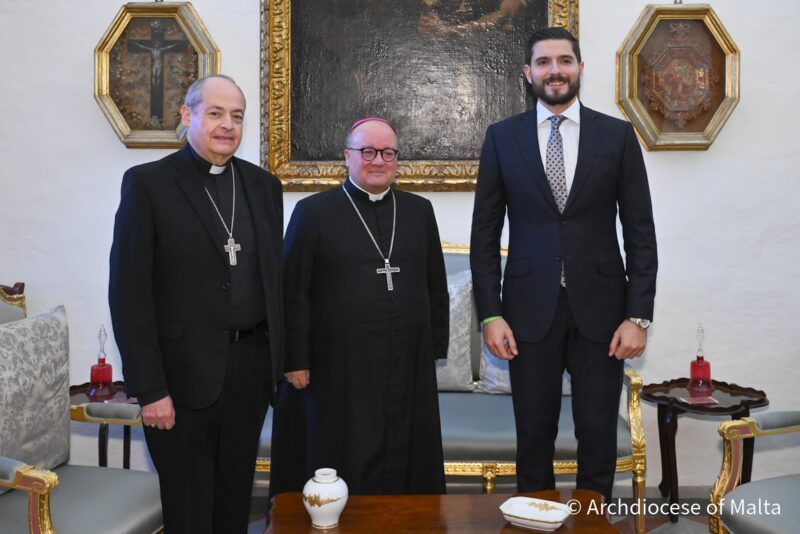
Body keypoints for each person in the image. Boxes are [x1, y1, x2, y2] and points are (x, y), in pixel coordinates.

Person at [470, 27, 657, 502]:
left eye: (564, 60)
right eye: (544, 62)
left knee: (597, 436)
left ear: (579, 68)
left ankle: (592, 527)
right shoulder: (502, 138)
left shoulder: (616, 137)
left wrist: (638, 316)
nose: (555, 70)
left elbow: (640, 233)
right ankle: (536, 522)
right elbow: (485, 237)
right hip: (527, 314)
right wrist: (490, 314)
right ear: (527, 73)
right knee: (534, 437)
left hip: (605, 314)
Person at [108, 74, 284, 532]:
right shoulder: (149, 184)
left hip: (248, 372)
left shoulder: (264, 187)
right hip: (180, 380)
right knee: (189, 511)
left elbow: (271, 280)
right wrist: (150, 390)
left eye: (237, 116)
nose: (228, 125)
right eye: (216, 113)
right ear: (187, 117)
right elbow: (129, 293)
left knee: (233, 504)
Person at [270, 117, 449, 495]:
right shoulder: (313, 212)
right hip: (339, 369)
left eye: (387, 152)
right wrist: (294, 359)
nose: (378, 160)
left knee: (404, 453)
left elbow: (435, 284)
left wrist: (433, 348)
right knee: (343, 450)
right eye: (367, 151)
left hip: (406, 362)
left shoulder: (418, 211)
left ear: (397, 159)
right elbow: (293, 290)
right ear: (347, 157)